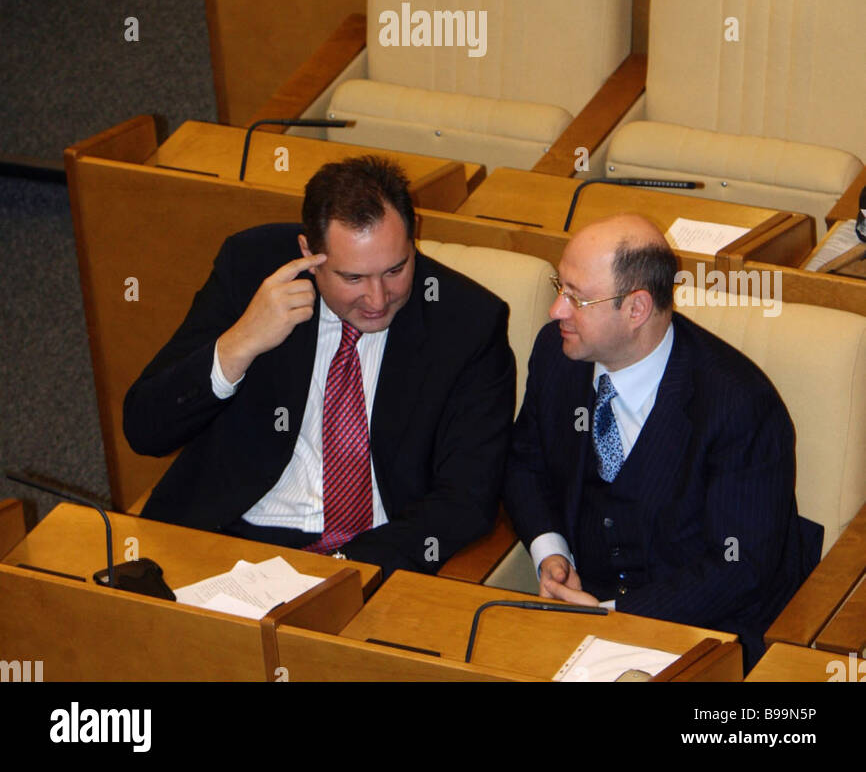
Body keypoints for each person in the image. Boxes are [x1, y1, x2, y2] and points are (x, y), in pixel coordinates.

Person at [124, 155, 515, 578]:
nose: (378, 299)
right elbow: (145, 429)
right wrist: (240, 343)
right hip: (228, 538)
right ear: (309, 253)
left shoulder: (467, 322)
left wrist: (345, 571)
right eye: (353, 278)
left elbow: (467, 498)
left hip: (376, 554)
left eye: (395, 270)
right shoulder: (252, 268)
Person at [504, 213, 821, 669]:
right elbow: (524, 463)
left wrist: (613, 617)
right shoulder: (558, 356)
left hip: (709, 639)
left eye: (577, 297)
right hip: (576, 622)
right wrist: (550, 551)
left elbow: (741, 564)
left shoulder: (738, 404)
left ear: (636, 309)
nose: (556, 309)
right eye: (560, 286)